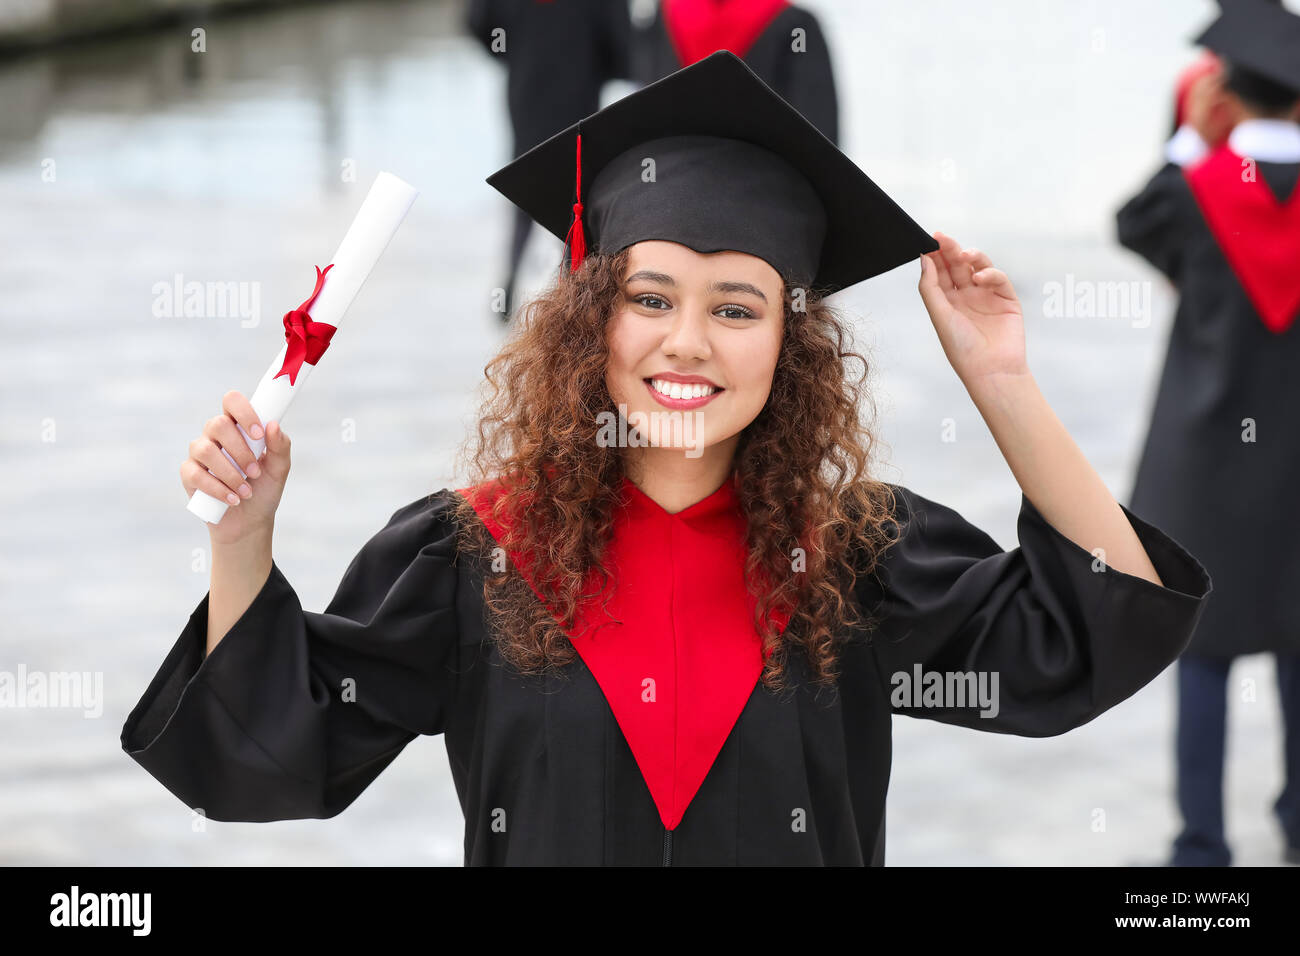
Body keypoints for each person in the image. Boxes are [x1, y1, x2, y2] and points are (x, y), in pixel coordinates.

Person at [124, 51, 1211, 866]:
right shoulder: (471, 557)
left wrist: (1001, 383)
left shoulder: (855, 556)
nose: (686, 341)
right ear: (589, 319)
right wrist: (244, 534)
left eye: (736, 307)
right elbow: (266, 758)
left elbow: (1091, 628)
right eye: (648, 298)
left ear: (791, 342)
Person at [1115, 0, 1300, 866]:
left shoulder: (1192, 193)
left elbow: (1133, 225)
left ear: (1225, 94)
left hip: (1205, 464)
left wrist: (1190, 139)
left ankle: (1201, 846)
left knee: (1203, 658)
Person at [465, 0, 632, 322]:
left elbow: (478, 22)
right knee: (577, 192)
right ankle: (574, 288)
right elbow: (623, 49)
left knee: (524, 180)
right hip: (579, 89)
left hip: (527, 84)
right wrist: (595, 63)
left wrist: (513, 51)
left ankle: (509, 282)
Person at [630, 0, 839, 144]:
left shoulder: (663, 18)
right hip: (768, 196)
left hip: (671, 194)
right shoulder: (796, 25)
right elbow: (819, 136)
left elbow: (646, 117)